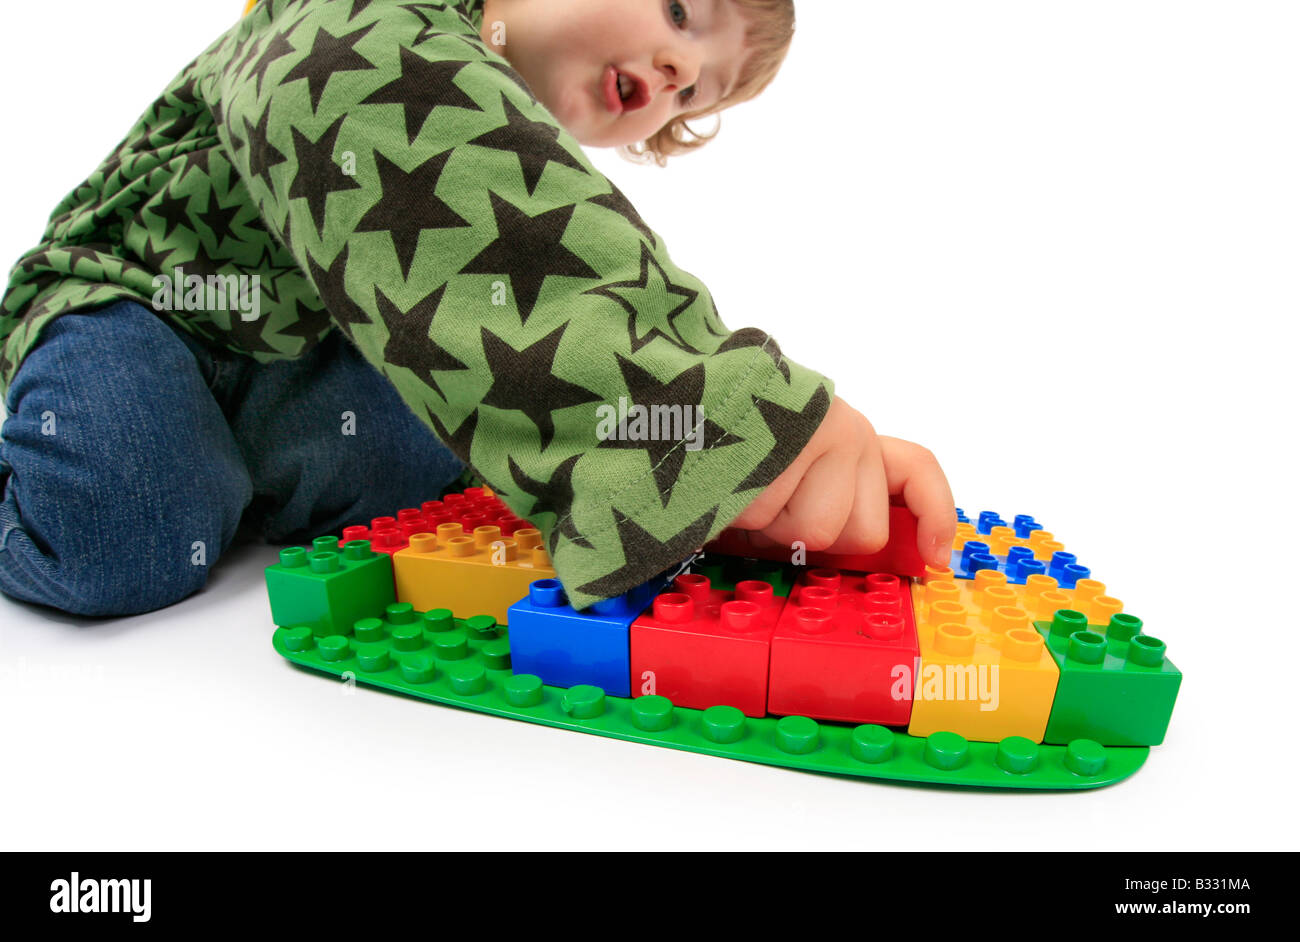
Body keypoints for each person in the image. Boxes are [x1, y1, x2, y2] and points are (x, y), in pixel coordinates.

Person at [0, 0, 954, 617]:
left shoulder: (521, 157)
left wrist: (700, 483)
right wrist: (716, 416)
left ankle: (225, 469)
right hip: (133, 305)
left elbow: (572, 266)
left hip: (303, 357)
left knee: (450, 466)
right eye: (678, 11)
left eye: (696, 89)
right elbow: (482, 207)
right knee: (121, 532)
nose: (673, 72)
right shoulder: (351, 17)